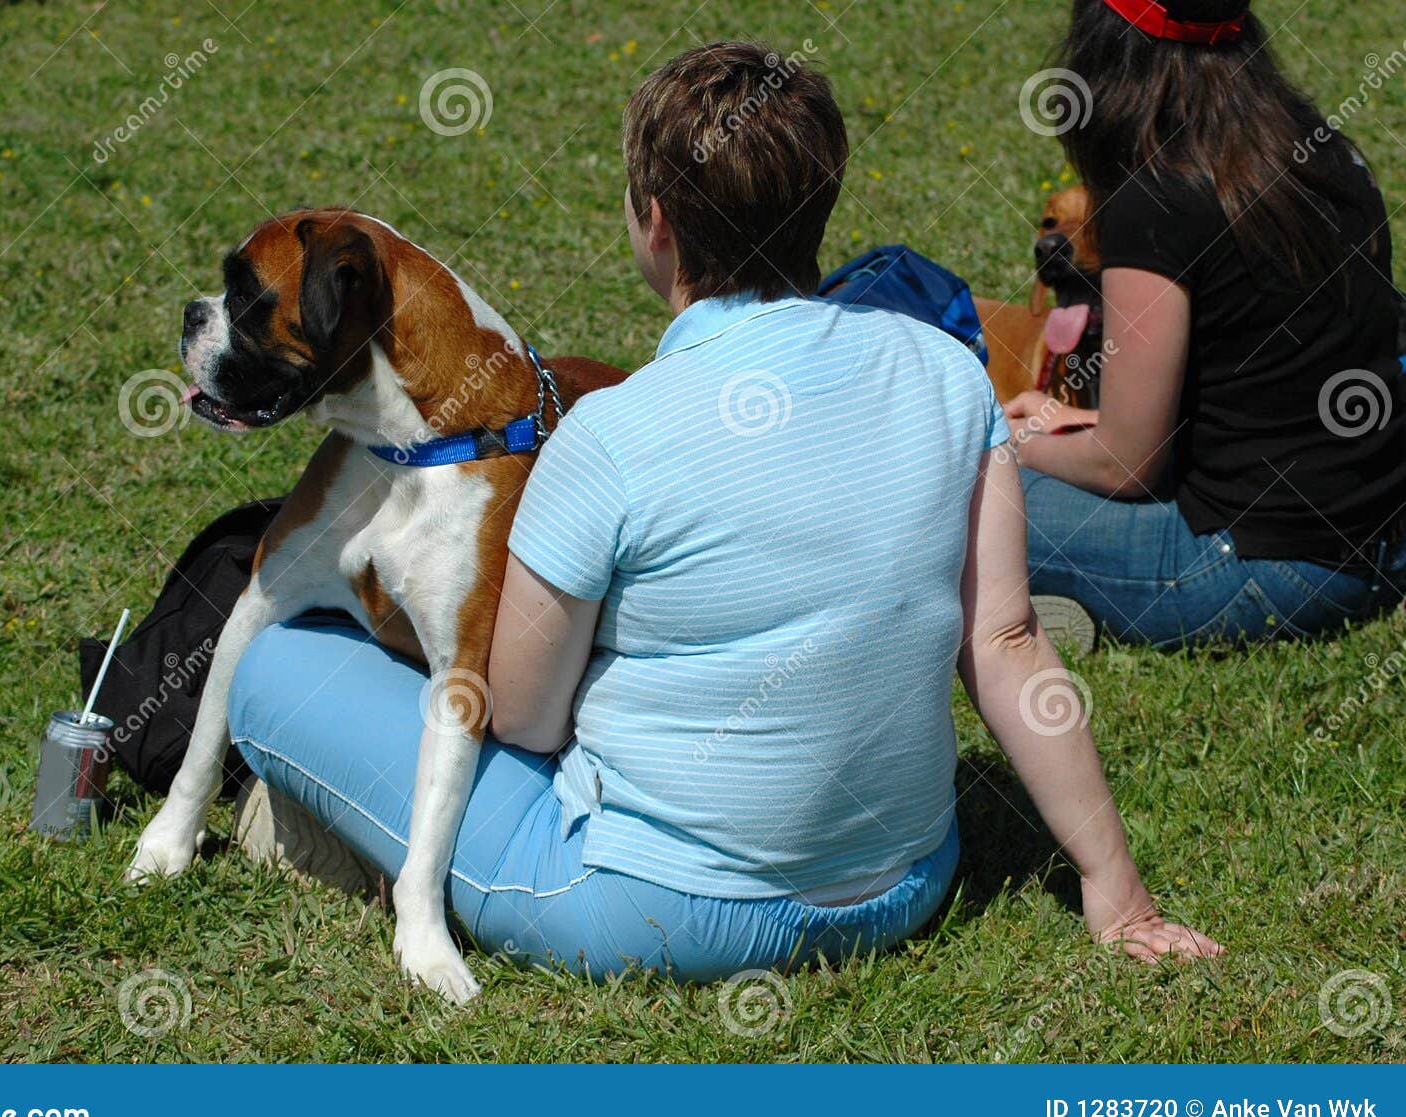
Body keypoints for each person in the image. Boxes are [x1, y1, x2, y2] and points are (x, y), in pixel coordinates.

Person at [230, 42, 1220, 987]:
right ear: (821, 201)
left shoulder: (606, 433)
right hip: (905, 881)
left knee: (274, 660)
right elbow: (1005, 641)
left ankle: (341, 828)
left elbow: (527, 718)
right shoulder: (945, 372)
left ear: (654, 223)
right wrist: (1114, 885)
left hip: (634, 910)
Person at [1005, 0, 1406, 650]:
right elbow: (1251, 380)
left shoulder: (1156, 198)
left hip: (1258, 567)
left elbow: (1123, 467)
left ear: (1103, 46)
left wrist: (1009, 441)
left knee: (954, 486)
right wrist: (1065, 423)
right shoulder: (1317, 144)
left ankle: (1012, 606)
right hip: (1380, 536)